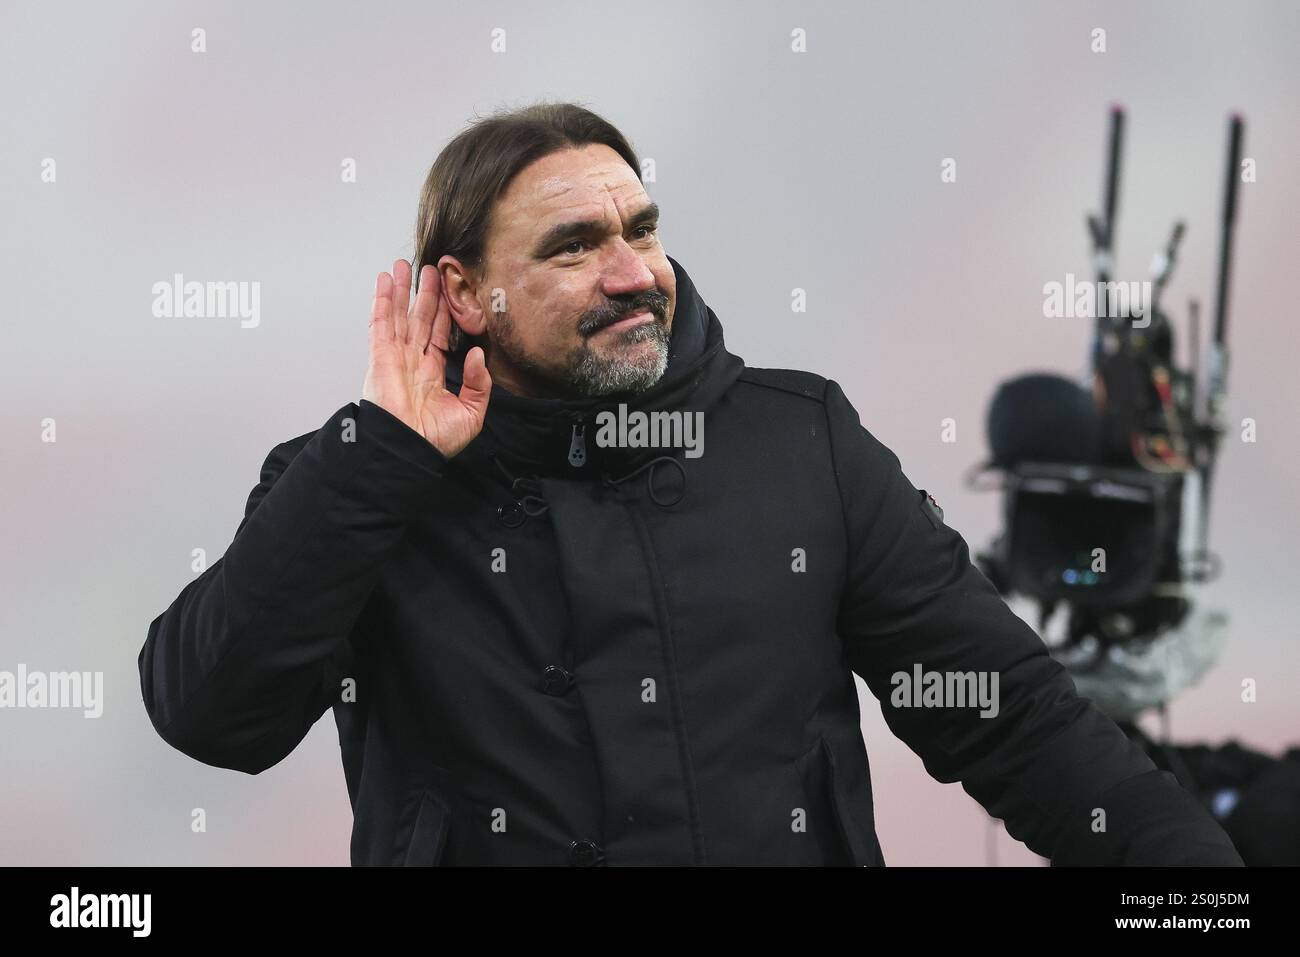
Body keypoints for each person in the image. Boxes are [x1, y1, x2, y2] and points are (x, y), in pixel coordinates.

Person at [138, 102, 1243, 866]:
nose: (631, 272)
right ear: (466, 295)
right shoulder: (358, 480)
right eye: (573, 247)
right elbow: (211, 714)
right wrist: (377, 454)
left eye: (641, 229)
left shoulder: (798, 440)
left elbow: (1013, 721)